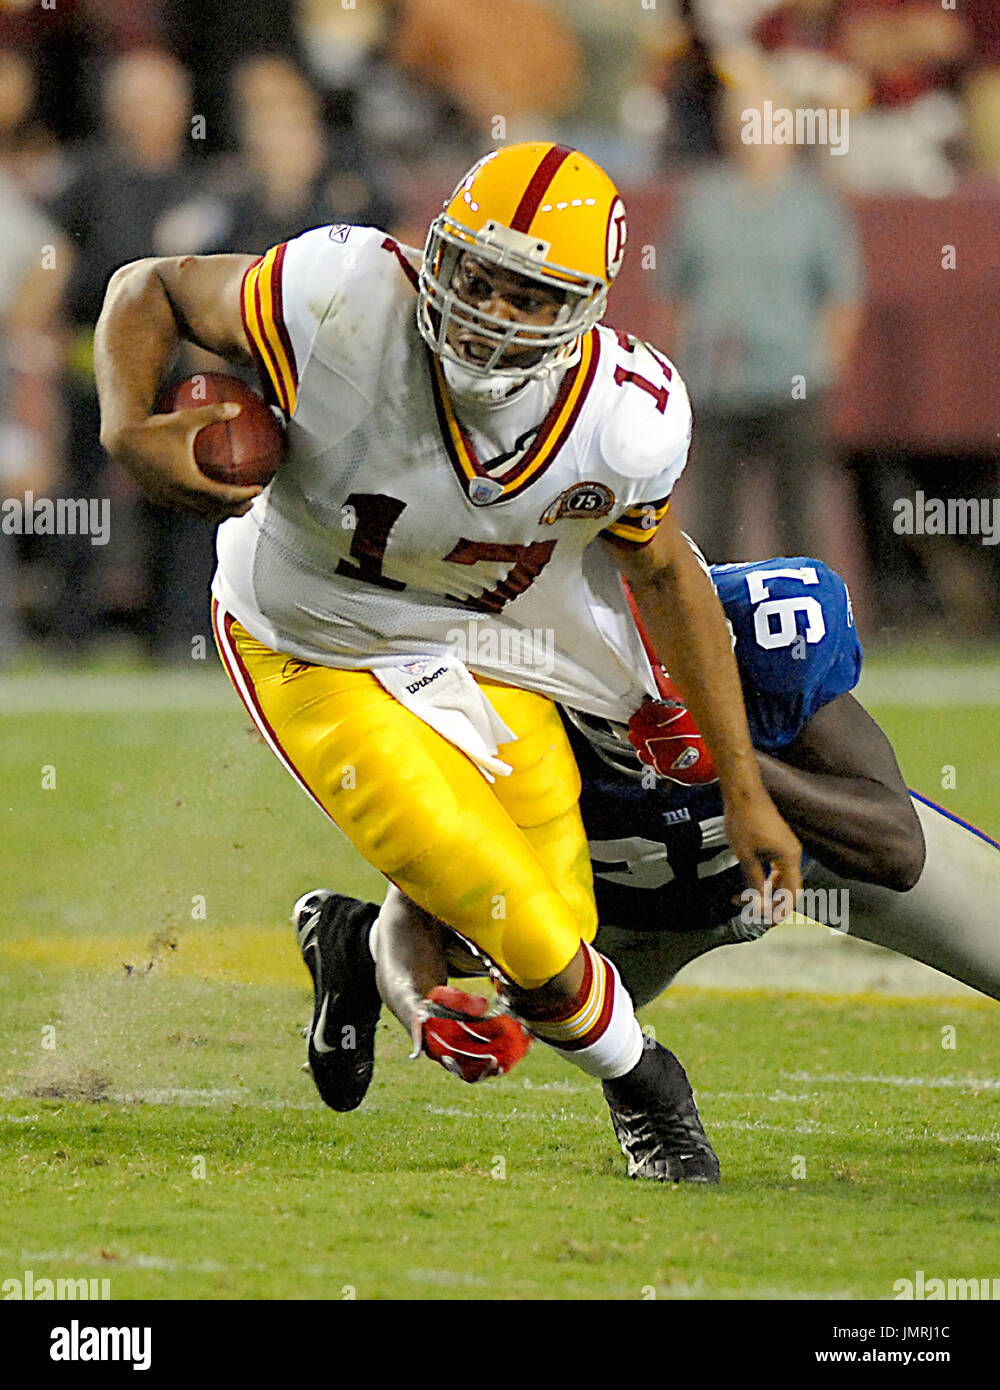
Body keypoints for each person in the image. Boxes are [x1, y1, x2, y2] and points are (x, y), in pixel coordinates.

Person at [94, 142, 802, 1186]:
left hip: (480, 644)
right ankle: (647, 1087)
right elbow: (145, 286)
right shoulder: (337, 294)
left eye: (530, 293)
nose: (487, 309)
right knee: (516, 920)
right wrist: (126, 428)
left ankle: (352, 944)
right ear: (438, 255)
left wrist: (742, 786)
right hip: (311, 637)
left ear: (588, 307)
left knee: (557, 921)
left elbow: (666, 575)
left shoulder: (625, 418)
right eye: (473, 273)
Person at [299, 552, 1000, 1179]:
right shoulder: (507, 702)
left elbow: (896, 846)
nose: (665, 700)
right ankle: (356, 950)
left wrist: (736, 766)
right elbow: (415, 907)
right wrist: (423, 1011)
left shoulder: (769, 637)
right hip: (615, 921)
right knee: (541, 977)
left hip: (803, 864)